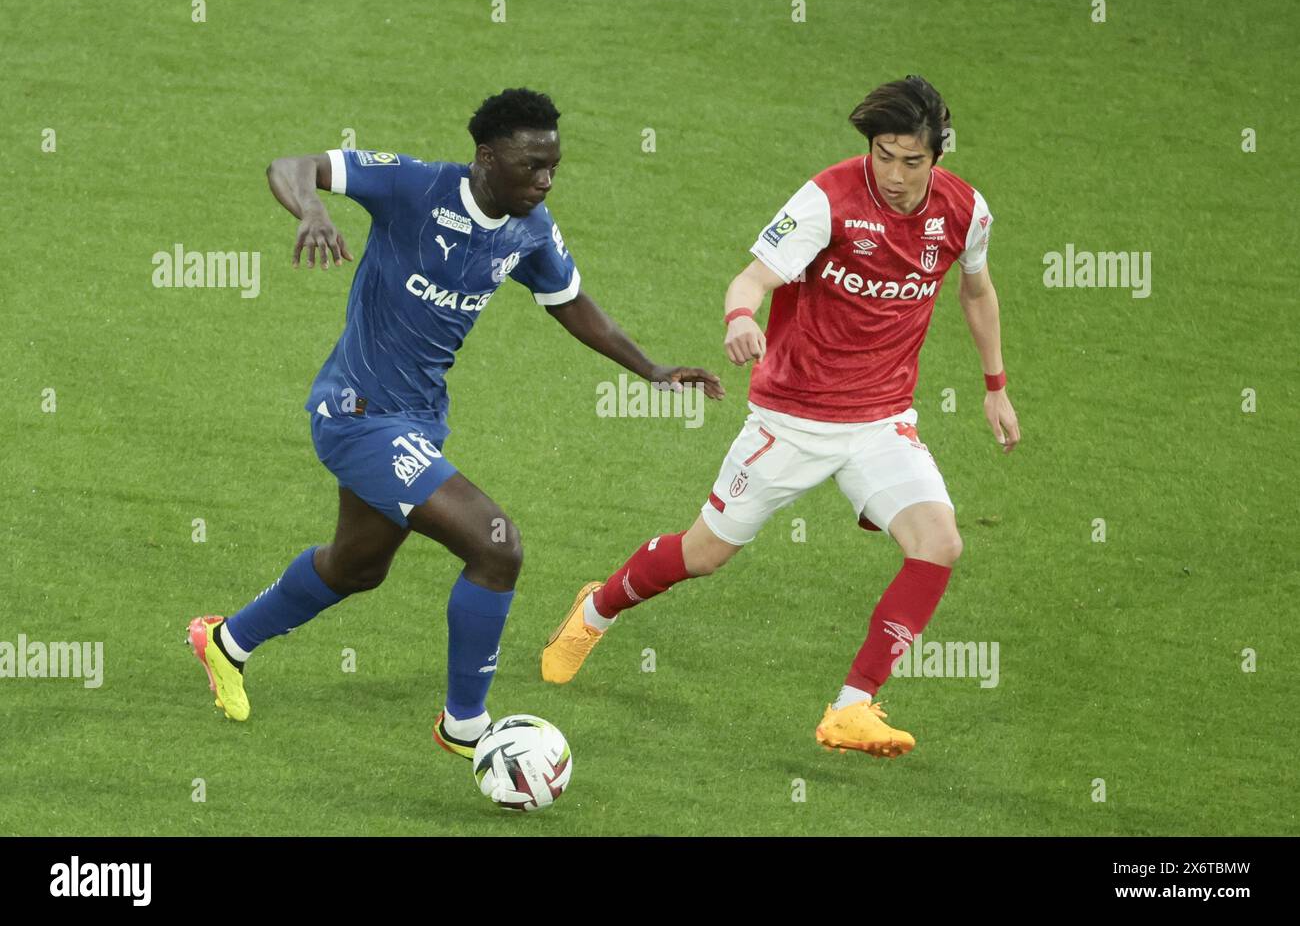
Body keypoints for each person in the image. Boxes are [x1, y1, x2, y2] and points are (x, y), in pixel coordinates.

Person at [187, 88, 722, 760]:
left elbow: (572, 303)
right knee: (498, 546)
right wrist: (313, 210)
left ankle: (224, 642)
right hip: (357, 415)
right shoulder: (413, 186)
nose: (546, 179)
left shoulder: (531, 226)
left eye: (553, 166)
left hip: (418, 420)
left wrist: (652, 371)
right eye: (532, 166)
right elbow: (290, 165)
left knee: (356, 566)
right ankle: (465, 726)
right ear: (487, 158)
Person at [542, 76, 1020, 758]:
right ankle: (597, 609)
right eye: (884, 154)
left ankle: (852, 707)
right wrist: (741, 318)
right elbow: (752, 279)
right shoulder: (827, 199)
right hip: (790, 419)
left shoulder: (965, 211)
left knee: (940, 543)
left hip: (882, 420)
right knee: (704, 553)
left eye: (912, 160)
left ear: (938, 154)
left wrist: (995, 384)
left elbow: (977, 290)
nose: (895, 174)